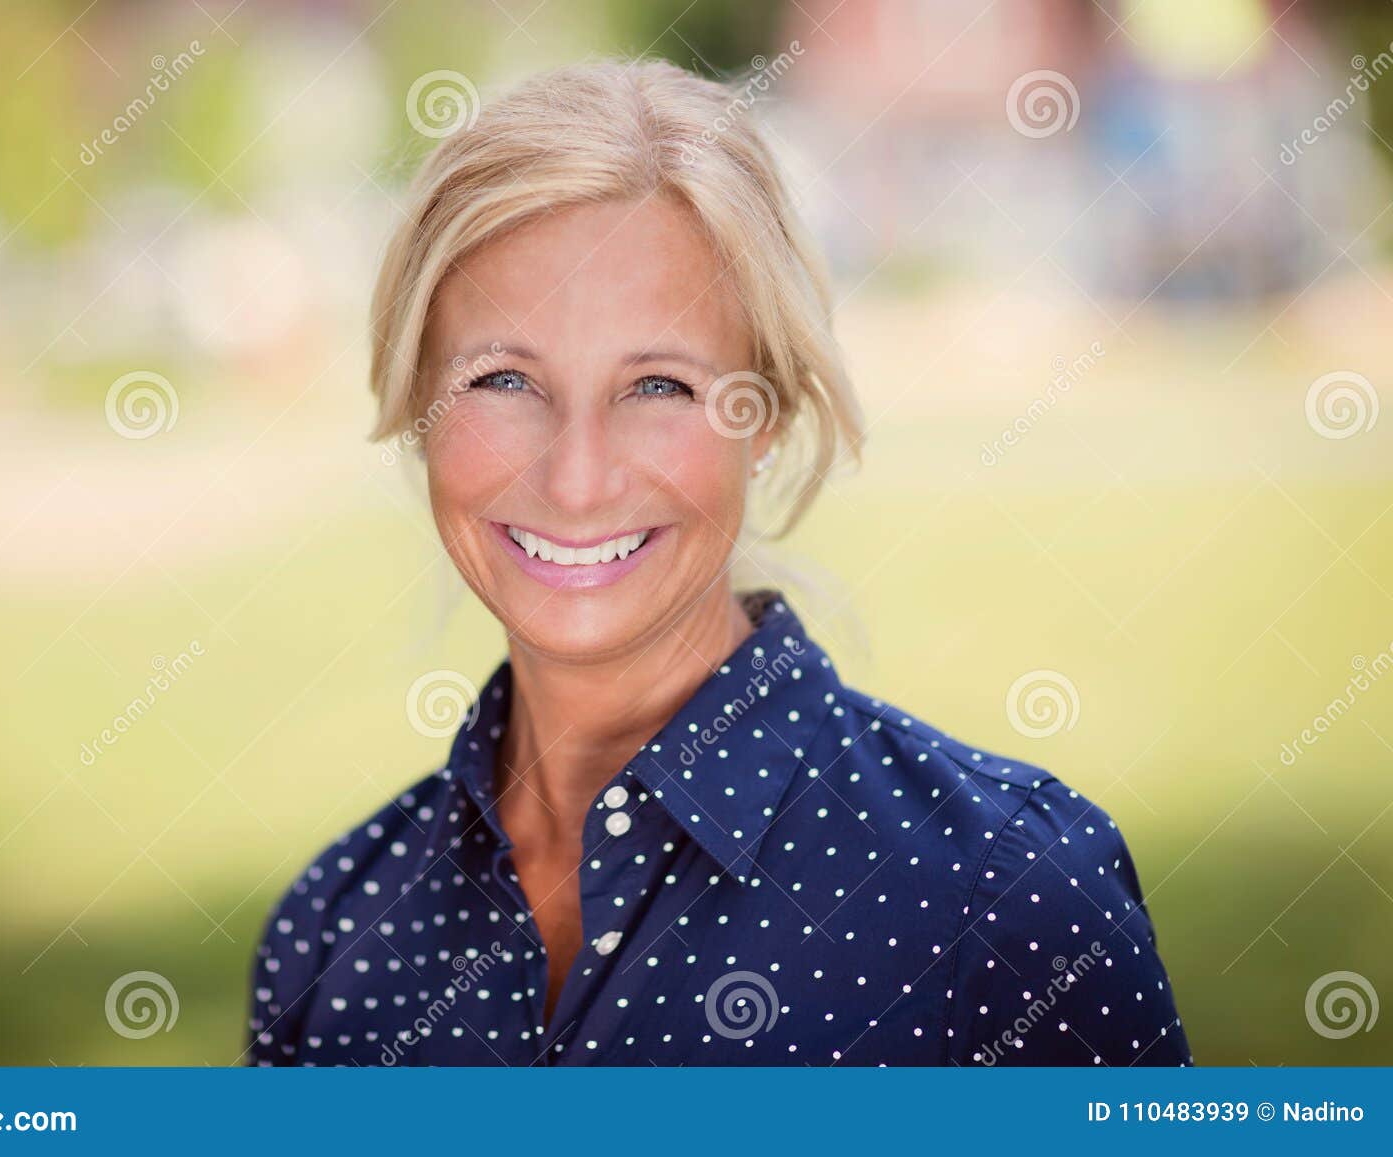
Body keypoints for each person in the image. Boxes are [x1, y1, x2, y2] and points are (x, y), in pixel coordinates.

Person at [247, 57, 1190, 1066]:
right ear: (418, 403)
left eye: (657, 384)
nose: (575, 477)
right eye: (504, 377)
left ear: (769, 414)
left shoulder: (1008, 897)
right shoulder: (332, 932)